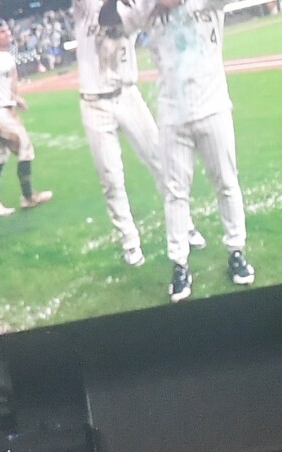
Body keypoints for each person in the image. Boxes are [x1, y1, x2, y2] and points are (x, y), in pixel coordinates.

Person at [126, 0, 252, 300]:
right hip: (172, 115)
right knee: (175, 194)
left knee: (226, 183)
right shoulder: (146, 7)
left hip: (214, 107)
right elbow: (112, 22)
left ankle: (236, 251)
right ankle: (179, 264)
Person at [71, 0, 206, 265]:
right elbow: (104, 13)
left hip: (127, 94)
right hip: (94, 102)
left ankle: (184, 225)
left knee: (161, 161)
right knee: (111, 177)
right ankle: (129, 240)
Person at [0, 20, 52, 219]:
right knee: (25, 148)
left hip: (3, 109)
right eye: (2, 31)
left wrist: (15, 99)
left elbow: (6, 85)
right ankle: (28, 197)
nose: (8, 34)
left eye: (8, 30)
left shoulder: (5, 56)